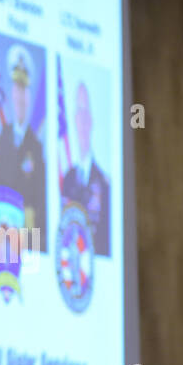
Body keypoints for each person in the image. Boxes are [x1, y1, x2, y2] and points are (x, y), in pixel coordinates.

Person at [0, 44, 46, 243]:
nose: (20, 97)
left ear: (29, 97)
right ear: (11, 93)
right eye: (16, 89)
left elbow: (39, 201)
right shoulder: (3, 137)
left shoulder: (36, 147)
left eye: (24, 91)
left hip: (25, 239)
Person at [61, 82, 110, 256]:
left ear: (91, 119)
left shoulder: (104, 183)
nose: (82, 118)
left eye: (85, 110)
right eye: (78, 110)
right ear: (74, 118)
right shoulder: (68, 178)